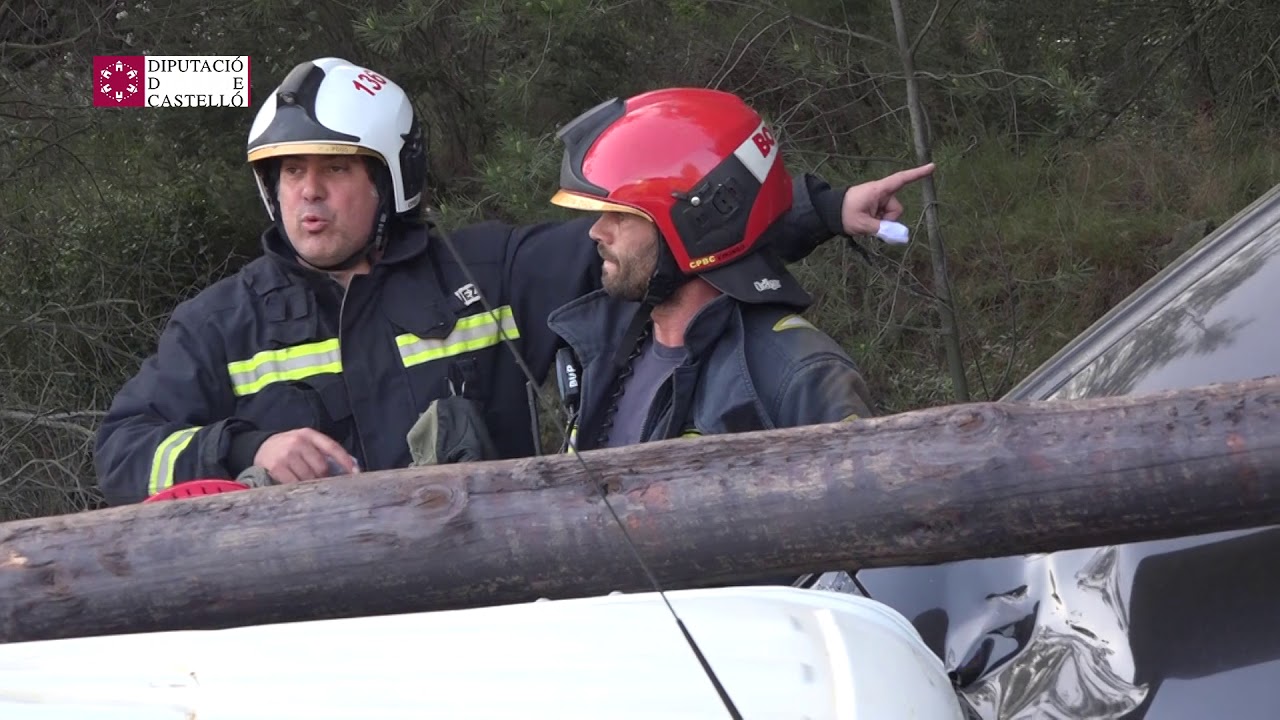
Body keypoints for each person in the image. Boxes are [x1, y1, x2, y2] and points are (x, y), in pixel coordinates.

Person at [93, 57, 932, 505]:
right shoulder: (220, 323)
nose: (305, 192)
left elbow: (666, 233)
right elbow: (124, 448)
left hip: (496, 622)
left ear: (389, 178)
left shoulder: (482, 273)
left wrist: (821, 209)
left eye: (332, 169)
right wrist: (248, 447)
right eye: (286, 172)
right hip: (309, 643)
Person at [546, 88, 881, 453]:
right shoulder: (606, 344)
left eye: (622, 215)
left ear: (698, 223)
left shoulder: (799, 377)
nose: (596, 231)